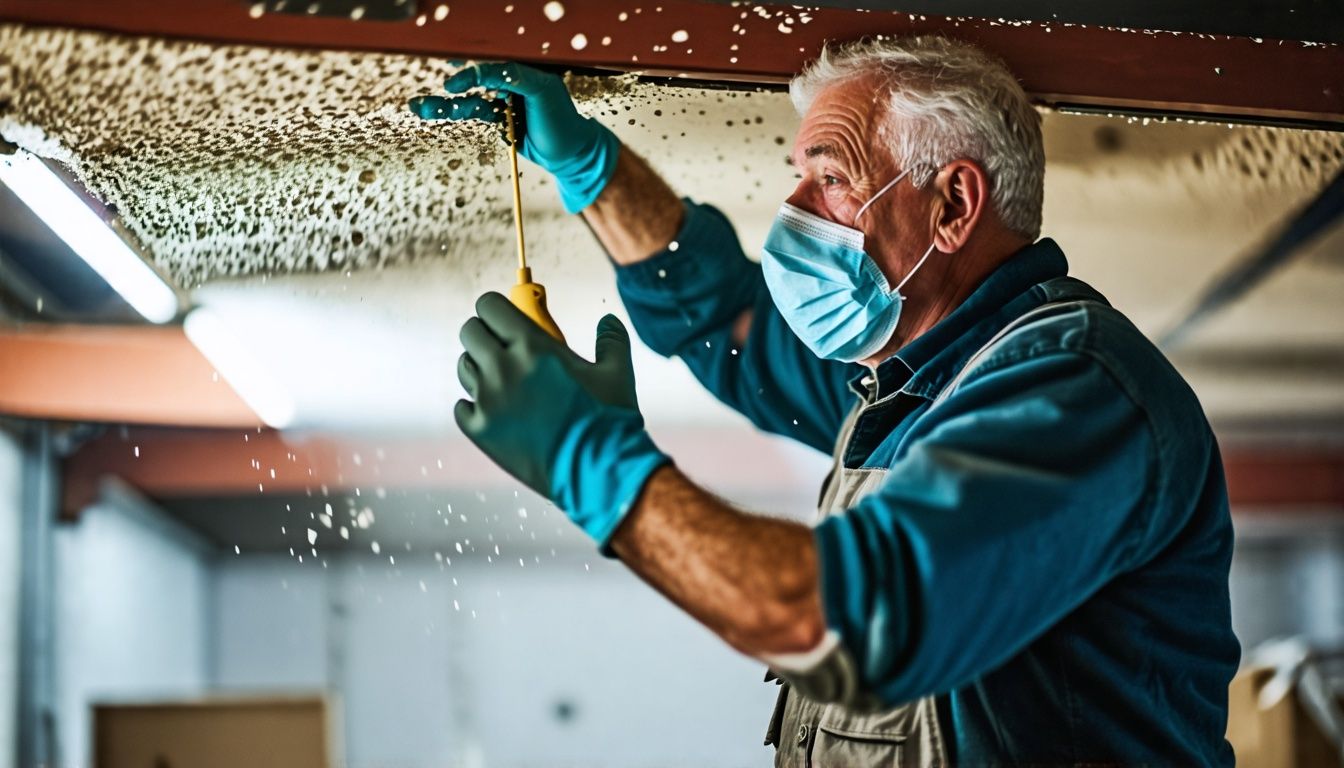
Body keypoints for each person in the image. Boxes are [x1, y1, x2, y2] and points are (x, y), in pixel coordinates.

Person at [410, 36, 1239, 766]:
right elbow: (729, 320)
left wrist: (589, 465)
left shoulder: (1074, 387)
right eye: (797, 178)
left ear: (952, 204)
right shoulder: (917, 380)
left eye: (833, 179)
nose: (793, 212)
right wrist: (588, 164)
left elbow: (855, 619)